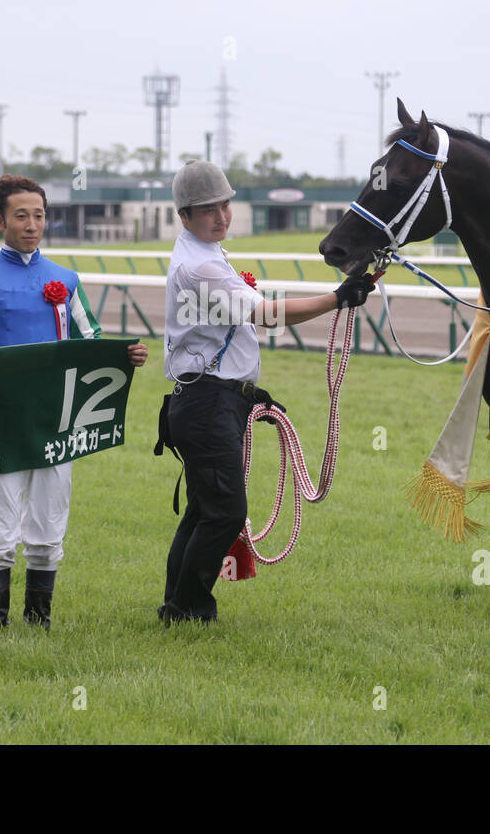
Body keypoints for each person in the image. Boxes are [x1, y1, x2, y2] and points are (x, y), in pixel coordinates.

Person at [158, 161, 373, 625]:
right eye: (208, 209)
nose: (221, 216)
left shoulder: (205, 253)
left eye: (225, 205)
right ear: (184, 215)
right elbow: (265, 315)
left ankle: (177, 603)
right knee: (226, 511)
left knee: (203, 508)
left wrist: (246, 392)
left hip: (209, 398)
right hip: (205, 402)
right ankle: (187, 607)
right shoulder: (199, 266)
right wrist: (337, 298)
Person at [0, 174, 147, 630]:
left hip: (57, 422)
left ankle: (38, 621)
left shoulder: (65, 279)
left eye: (39, 215)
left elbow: (91, 340)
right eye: (21, 216)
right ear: (0, 220)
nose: (32, 224)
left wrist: (124, 355)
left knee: (50, 523)